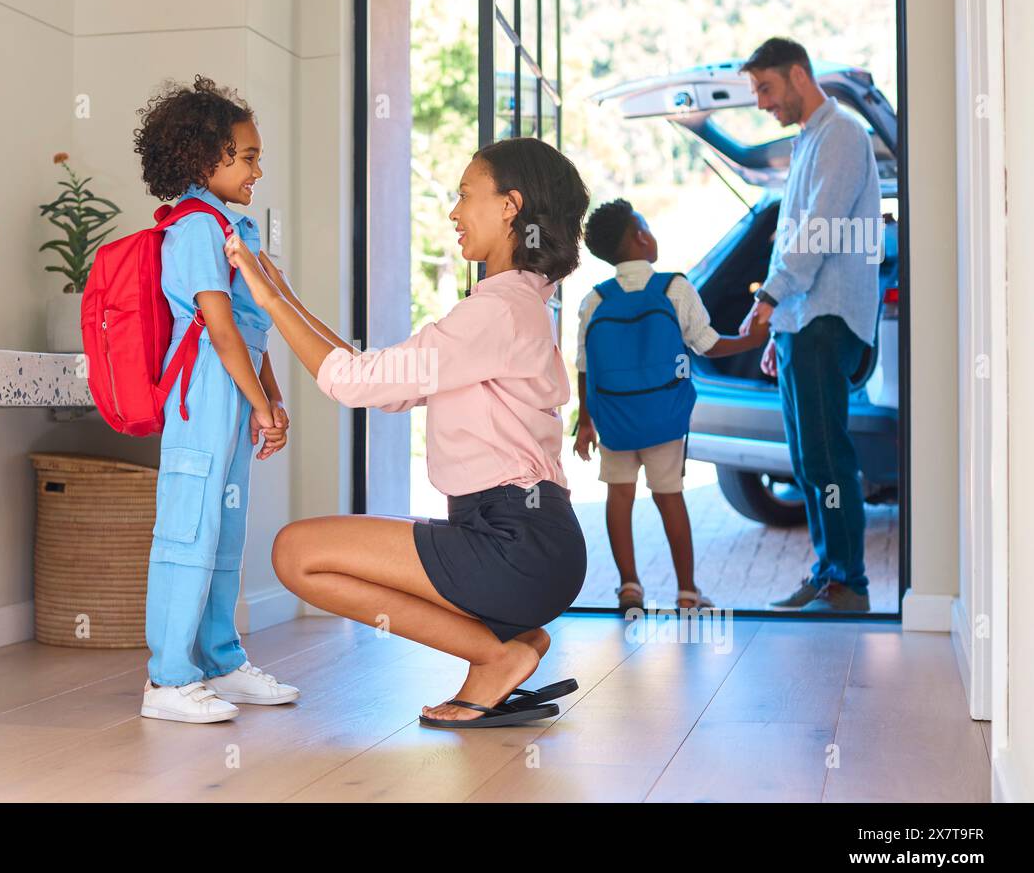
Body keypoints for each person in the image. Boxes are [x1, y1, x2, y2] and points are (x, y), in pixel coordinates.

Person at [222, 137, 590, 729]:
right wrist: (281, 297)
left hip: (515, 545)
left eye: (466, 195)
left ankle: (496, 653)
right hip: (518, 539)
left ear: (509, 207)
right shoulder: (513, 305)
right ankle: (505, 644)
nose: (453, 212)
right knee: (308, 549)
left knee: (296, 553)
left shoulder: (497, 311)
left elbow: (354, 382)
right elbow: (379, 381)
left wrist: (266, 296)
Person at [133, 76, 299, 723]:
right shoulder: (196, 228)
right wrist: (259, 404)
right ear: (208, 159)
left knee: (225, 534)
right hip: (202, 399)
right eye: (249, 155)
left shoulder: (236, 227)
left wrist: (272, 400)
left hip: (235, 395)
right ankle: (168, 680)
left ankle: (221, 663)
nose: (259, 168)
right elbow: (221, 330)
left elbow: (255, 334)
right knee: (187, 534)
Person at [736, 38, 883, 613]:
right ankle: (829, 572)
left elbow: (816, 231)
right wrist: (779, 325)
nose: (761, 103)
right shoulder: (809, 142)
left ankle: (850, 583)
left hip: (828, 318)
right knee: (807, 459)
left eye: (766, 89)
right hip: (803, 319)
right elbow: (790, 234)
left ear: (799, 75)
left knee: (827, 457)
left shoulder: (843, 133)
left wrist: (772, 299)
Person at [574, 199, 769, 613]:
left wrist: (585, 423)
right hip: (663, 418)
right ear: (642, 237)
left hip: (615, 421)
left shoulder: (594, 300)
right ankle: (686, 593)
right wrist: (752, 340)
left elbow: (585, 365)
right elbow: (708, 344)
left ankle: (629, 588)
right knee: (669, 497)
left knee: (619, 497)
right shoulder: (673, 288)